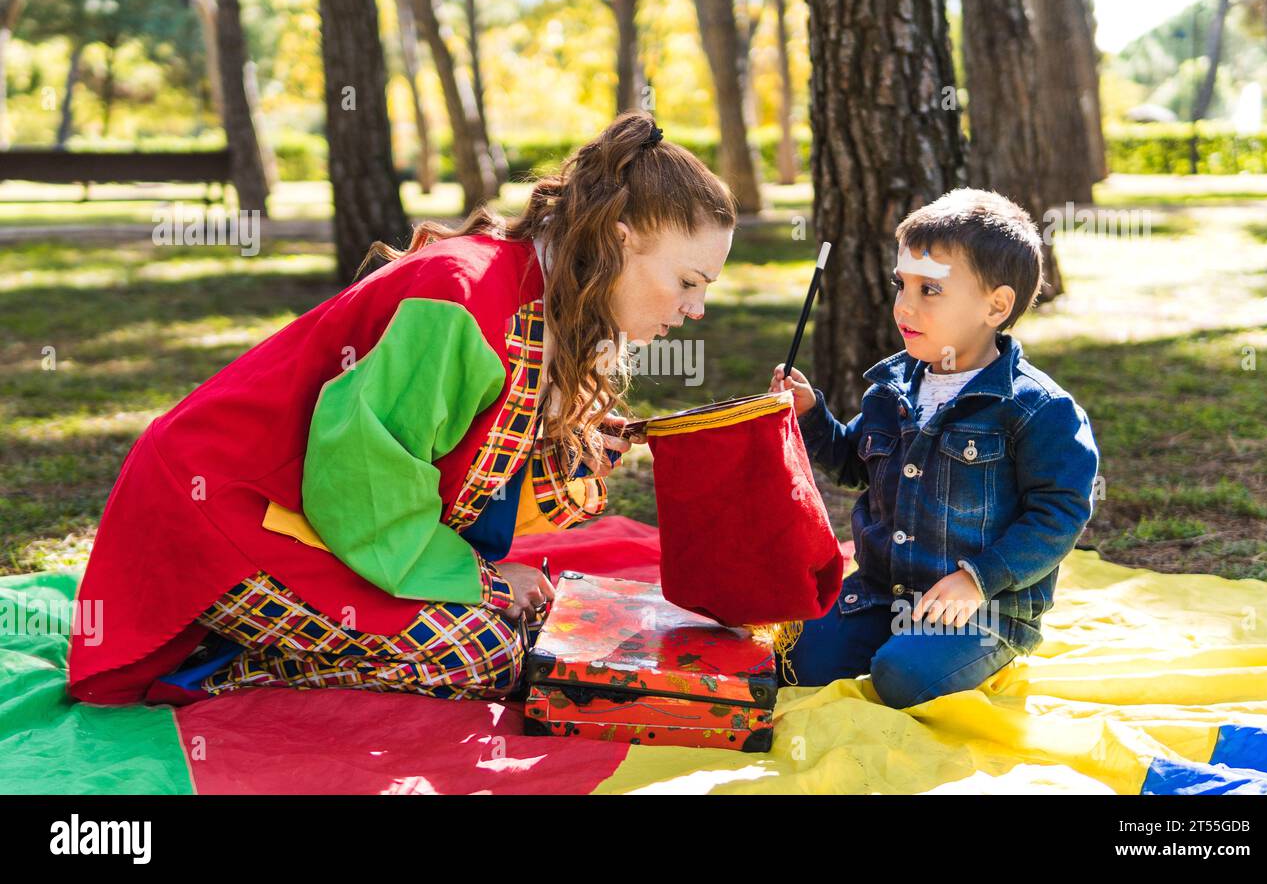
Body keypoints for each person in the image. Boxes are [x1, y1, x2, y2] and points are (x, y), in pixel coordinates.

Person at [68, 110, 736, 706]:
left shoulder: (540, 299)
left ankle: (277, 639)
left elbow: (462, 472)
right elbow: (361, 480)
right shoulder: (464, 296)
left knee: (530, 628)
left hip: (318, 515)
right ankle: (218, 666)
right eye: (687, 282)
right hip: (224, 511)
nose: (695, 309)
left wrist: (576, 452)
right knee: (490, 652)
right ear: (621, 241)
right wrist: (484, 579)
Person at [769, 188, 1100, 709]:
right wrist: (810, 415)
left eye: (931, 290)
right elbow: (855, 464)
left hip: (983, 606)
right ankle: (892, 643)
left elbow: (1057, 515)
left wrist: (978, 580)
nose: (904, 304)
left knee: (899, 677)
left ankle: (980, 651)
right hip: (886, 590)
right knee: (793, 661)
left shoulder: (1038, 409)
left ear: (997, 305)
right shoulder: (891, 389)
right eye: (901, 284)